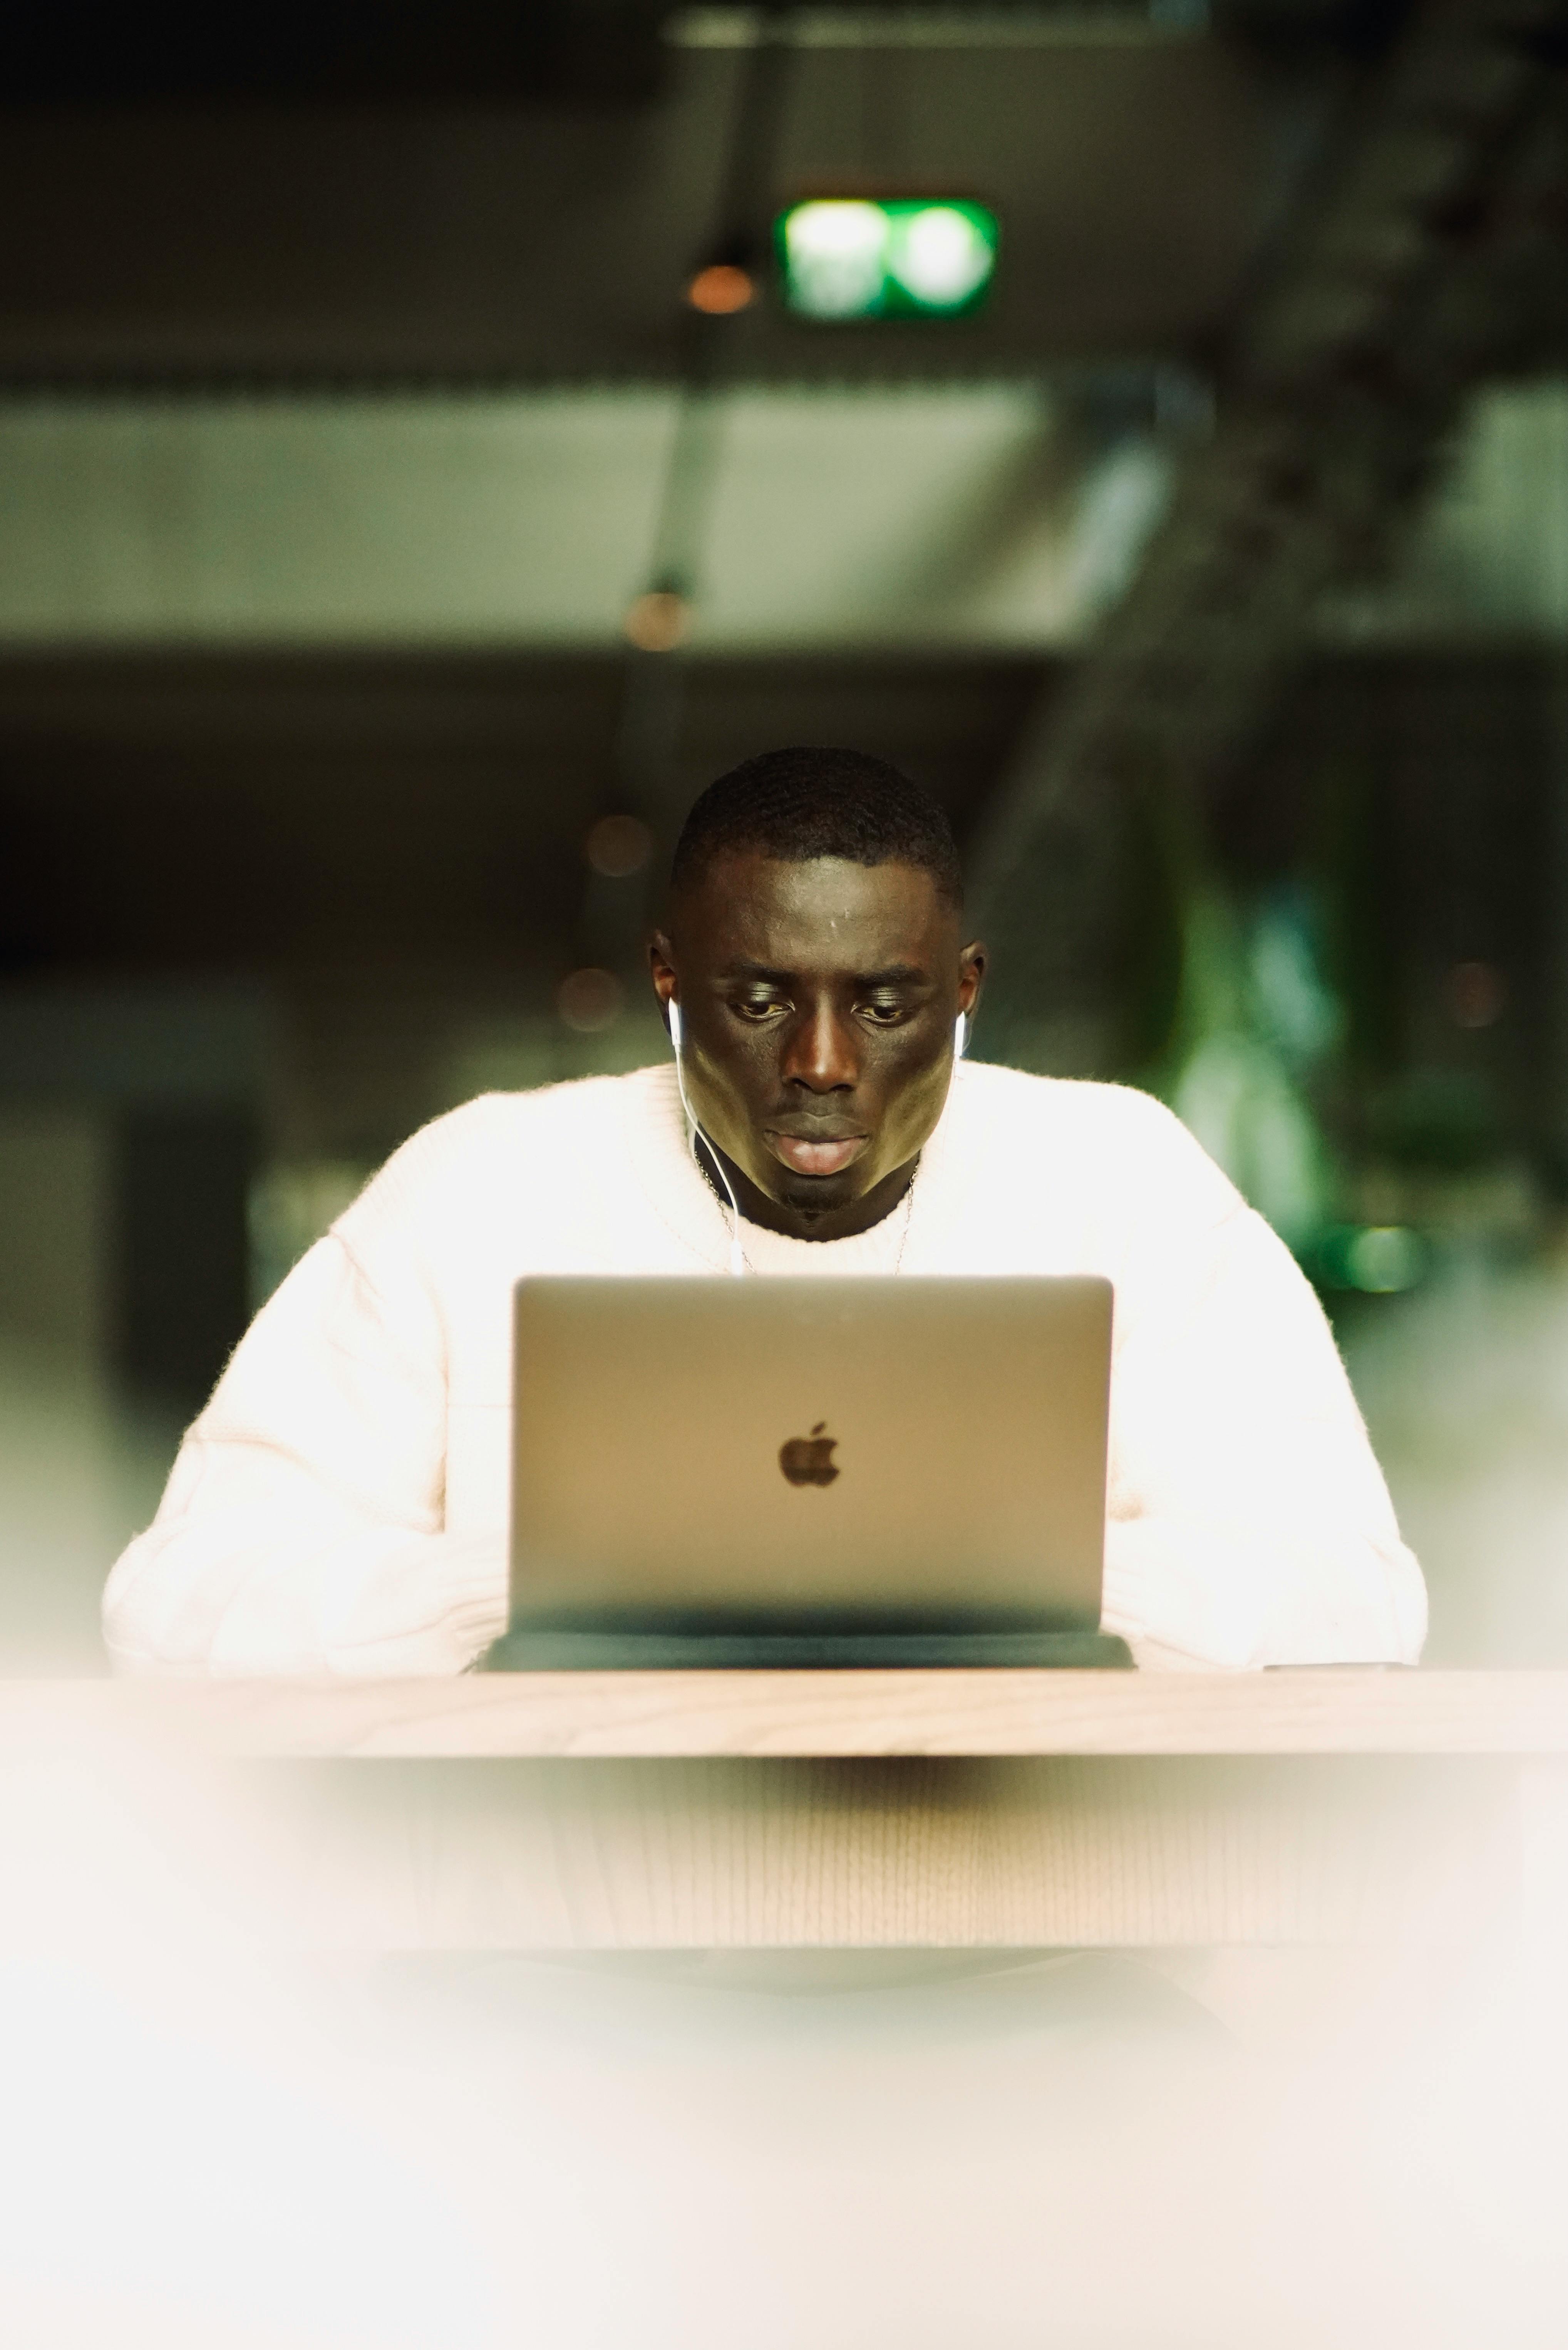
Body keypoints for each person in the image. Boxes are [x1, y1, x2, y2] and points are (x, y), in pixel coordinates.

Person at [102, 747, 1426, 1675]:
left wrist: (1036, 1586)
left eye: (888, 1004)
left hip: (1016, 1935)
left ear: (967, 989)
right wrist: (508, 1589)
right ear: (668, 978)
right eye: (757, 1000)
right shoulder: (479, 1191)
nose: (823, 1064)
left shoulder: (1122, 1182)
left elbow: (1359, 1597)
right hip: (567, 1944)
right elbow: (174, 1604)